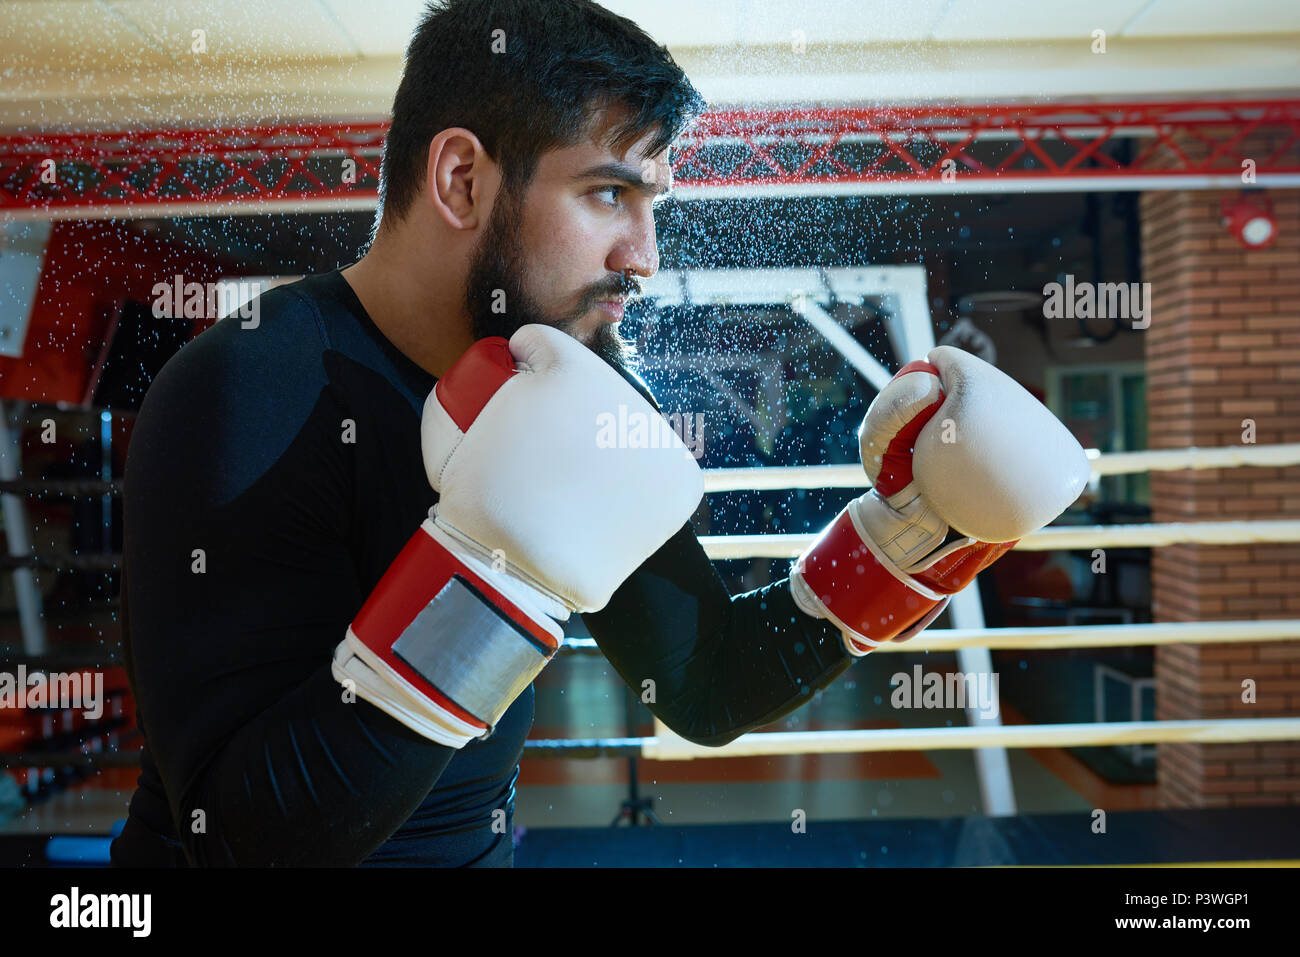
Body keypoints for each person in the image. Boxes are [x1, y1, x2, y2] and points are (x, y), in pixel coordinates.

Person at [110, 0, 1089, 867]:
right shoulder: (250, 386)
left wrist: (917, 537)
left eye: (653, 203)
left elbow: (703, 682)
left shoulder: (577, 378)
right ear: (460, 179)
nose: (645, 256)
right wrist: (490, 579)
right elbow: (236, 841)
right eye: (609, 193)